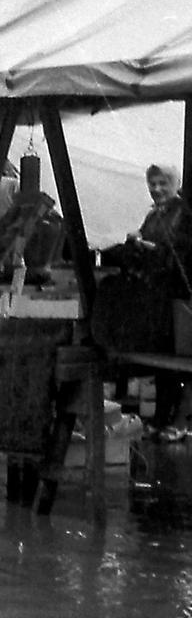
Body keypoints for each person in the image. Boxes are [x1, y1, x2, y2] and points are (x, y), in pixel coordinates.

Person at [101, 164, 192, 431]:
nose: (156, 189)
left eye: (162, 183)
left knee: (171, 362)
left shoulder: (181, 214)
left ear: (175, 183)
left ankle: (171, 420)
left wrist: (144, 246)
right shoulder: (155, 215)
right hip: (153, 297)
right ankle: (161, 419)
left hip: (172, 298)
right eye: (152, 183)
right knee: (161, 362)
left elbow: (175, 254)